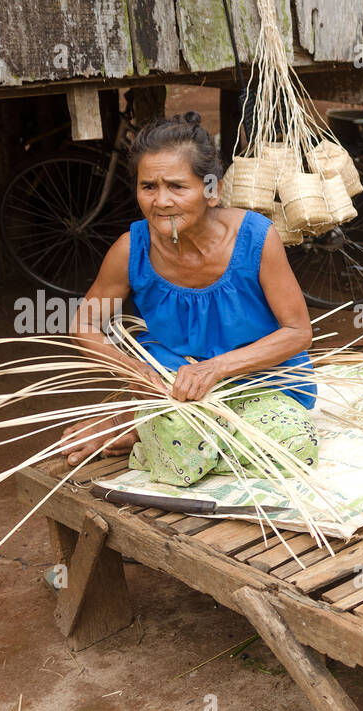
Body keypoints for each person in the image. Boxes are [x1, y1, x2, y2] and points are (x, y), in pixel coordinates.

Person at [60, 111, 319, 485]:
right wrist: (135, 371)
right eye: (148, 187)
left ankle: (141, 433)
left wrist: (215, 368)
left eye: (177, 187)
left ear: (211, 191)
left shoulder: (256, 239)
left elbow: (297, 332)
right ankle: (162, 433)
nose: (160, 201)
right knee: (181, 438)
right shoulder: (131, 250)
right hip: (174, 388)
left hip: (260, 381)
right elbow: (84, 324)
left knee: (296, 446)